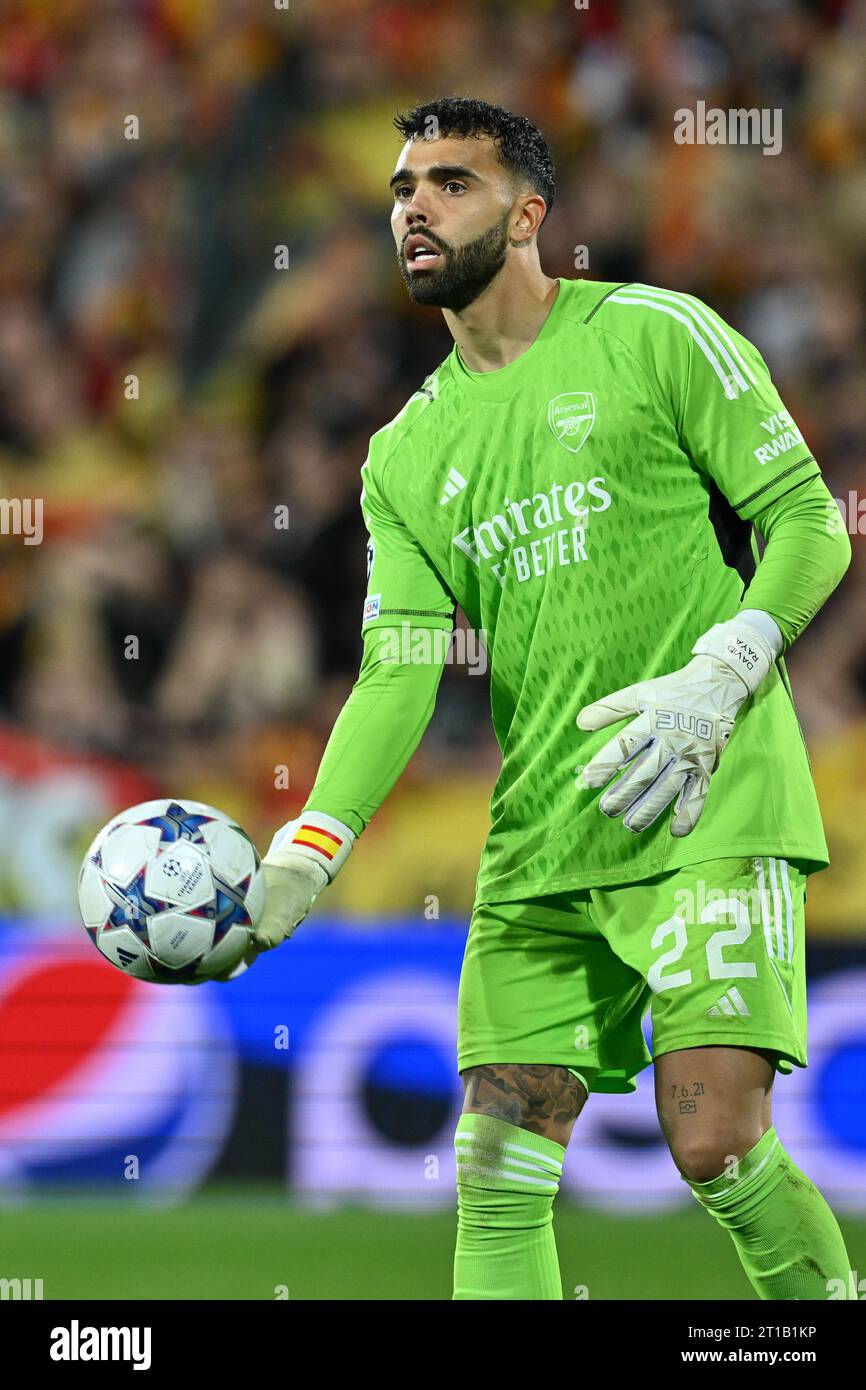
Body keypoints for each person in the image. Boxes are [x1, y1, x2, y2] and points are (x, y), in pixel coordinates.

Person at [251, 96, 852, 1301]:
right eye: (399, 187)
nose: (412, 206)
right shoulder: (404, 453)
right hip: (542, 844)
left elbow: (805, 522)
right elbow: (400, 668)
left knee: (716, 1146)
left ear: (527, 214)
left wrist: (725, 666)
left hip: (707, 807)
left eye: (447, 184)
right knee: (491, 1170)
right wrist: (310, 848)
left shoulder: (653, 334)